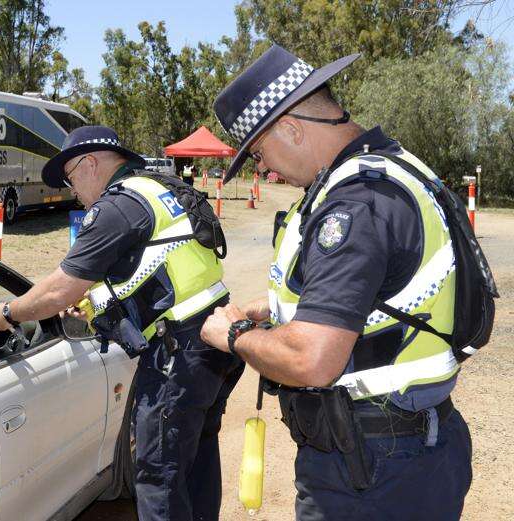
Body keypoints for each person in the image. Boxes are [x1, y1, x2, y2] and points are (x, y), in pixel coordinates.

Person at [200, 44, 472, 520]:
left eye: (259, 152)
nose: (264, 169)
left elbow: (312, 360)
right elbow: (377, 288)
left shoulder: (354, 204)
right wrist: (276, 307)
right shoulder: (392, 168)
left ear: (290, 127)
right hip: (408, 453)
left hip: (372, 469)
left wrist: (235, 335)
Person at [0, 126, 244, 521]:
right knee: (196, 458)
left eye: (70, 178)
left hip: (178, 355)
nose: (73, 191)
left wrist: (7, 313)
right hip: (211, 340)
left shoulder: (116, 207)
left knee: (159, 472)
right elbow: (148, 271)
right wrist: (93, 311)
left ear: (90, 163)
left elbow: (59, 290)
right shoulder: (157, 190)